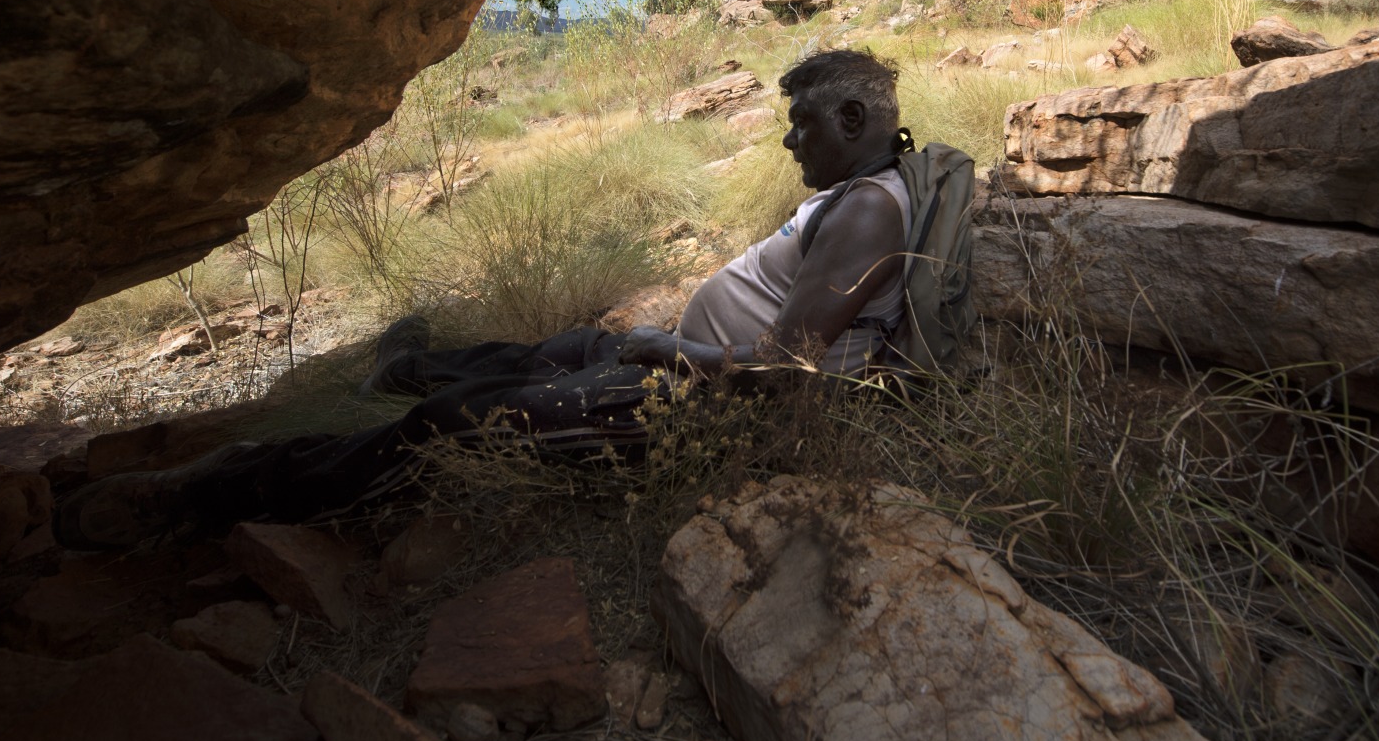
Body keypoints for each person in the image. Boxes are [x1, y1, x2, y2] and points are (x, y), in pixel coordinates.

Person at [55, 49, 914, 550]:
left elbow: (786, 367)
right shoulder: (859, 193)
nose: (787, 136)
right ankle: (408, 367)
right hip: (690, 370)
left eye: (801, 122)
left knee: (460, 421)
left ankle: (211, 494)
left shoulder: (869, 208)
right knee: (574, 343)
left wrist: (667, 351)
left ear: (848, 118)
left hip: (702, 405)